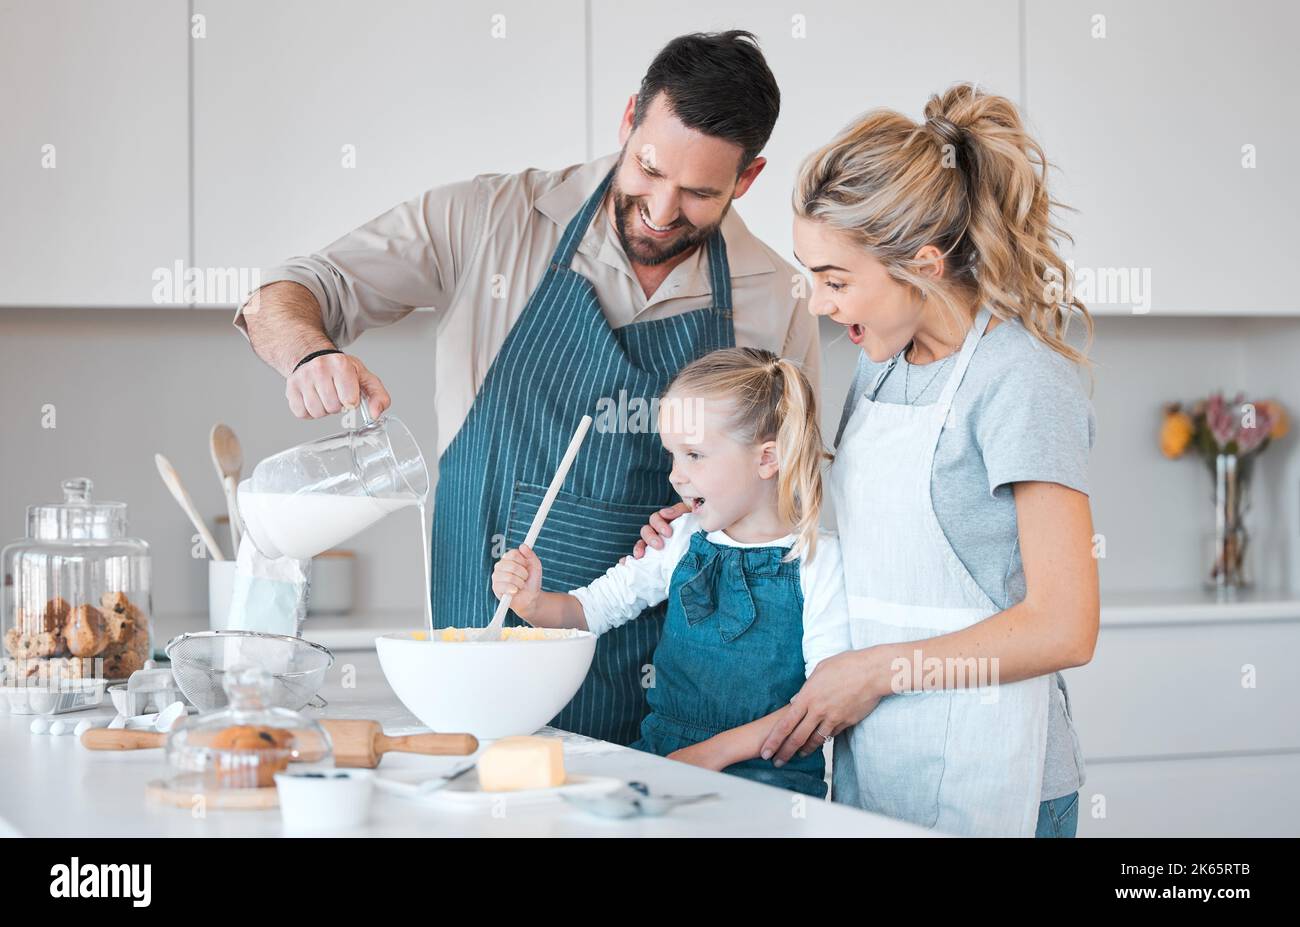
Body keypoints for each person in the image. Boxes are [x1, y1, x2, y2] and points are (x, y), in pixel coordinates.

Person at [235, 32, 818, 746]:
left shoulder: (773, 296)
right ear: (629, 118)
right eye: (648, 169)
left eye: (699, 193)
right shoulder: (493, 221)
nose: (662, 210)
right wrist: (310, 354)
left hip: (676, 713)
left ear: (748, 178)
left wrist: (717, 517)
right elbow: (286, 294)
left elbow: (800, 495)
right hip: (480, 680)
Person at [638, 83, 1099, 837]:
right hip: (874, 769)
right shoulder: (882, 365)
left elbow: (1065, 625)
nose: (817, 305)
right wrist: (716, 514)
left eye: (836, 280)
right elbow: (845, 529)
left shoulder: (1021, 381)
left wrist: (880, 670)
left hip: (995, 776)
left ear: (920, 264)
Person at [492, 348, 849, 797]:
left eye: (695, 455)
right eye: (673, 456)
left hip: (768, 781)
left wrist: (710, 755)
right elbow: (587, 611)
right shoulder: (678, 537)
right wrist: (533, 601)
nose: (677, 476)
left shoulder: (820, 562)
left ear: (767, 459)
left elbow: (820, 706)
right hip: (664, 759)